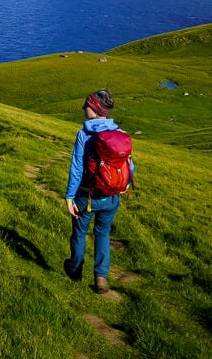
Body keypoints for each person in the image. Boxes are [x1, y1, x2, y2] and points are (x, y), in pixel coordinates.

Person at [63, 88, 132, 294]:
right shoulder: (119, 134)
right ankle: (101, 277)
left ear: (94, 109)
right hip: (112, 196)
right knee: (102, 234)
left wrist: (69, 197)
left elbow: (76, 167)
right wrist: (124, 185)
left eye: (87, 104)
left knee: (79, 233)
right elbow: (129, 164)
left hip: (87, 195)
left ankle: (74, 270)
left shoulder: (84, 134)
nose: (83, 108)